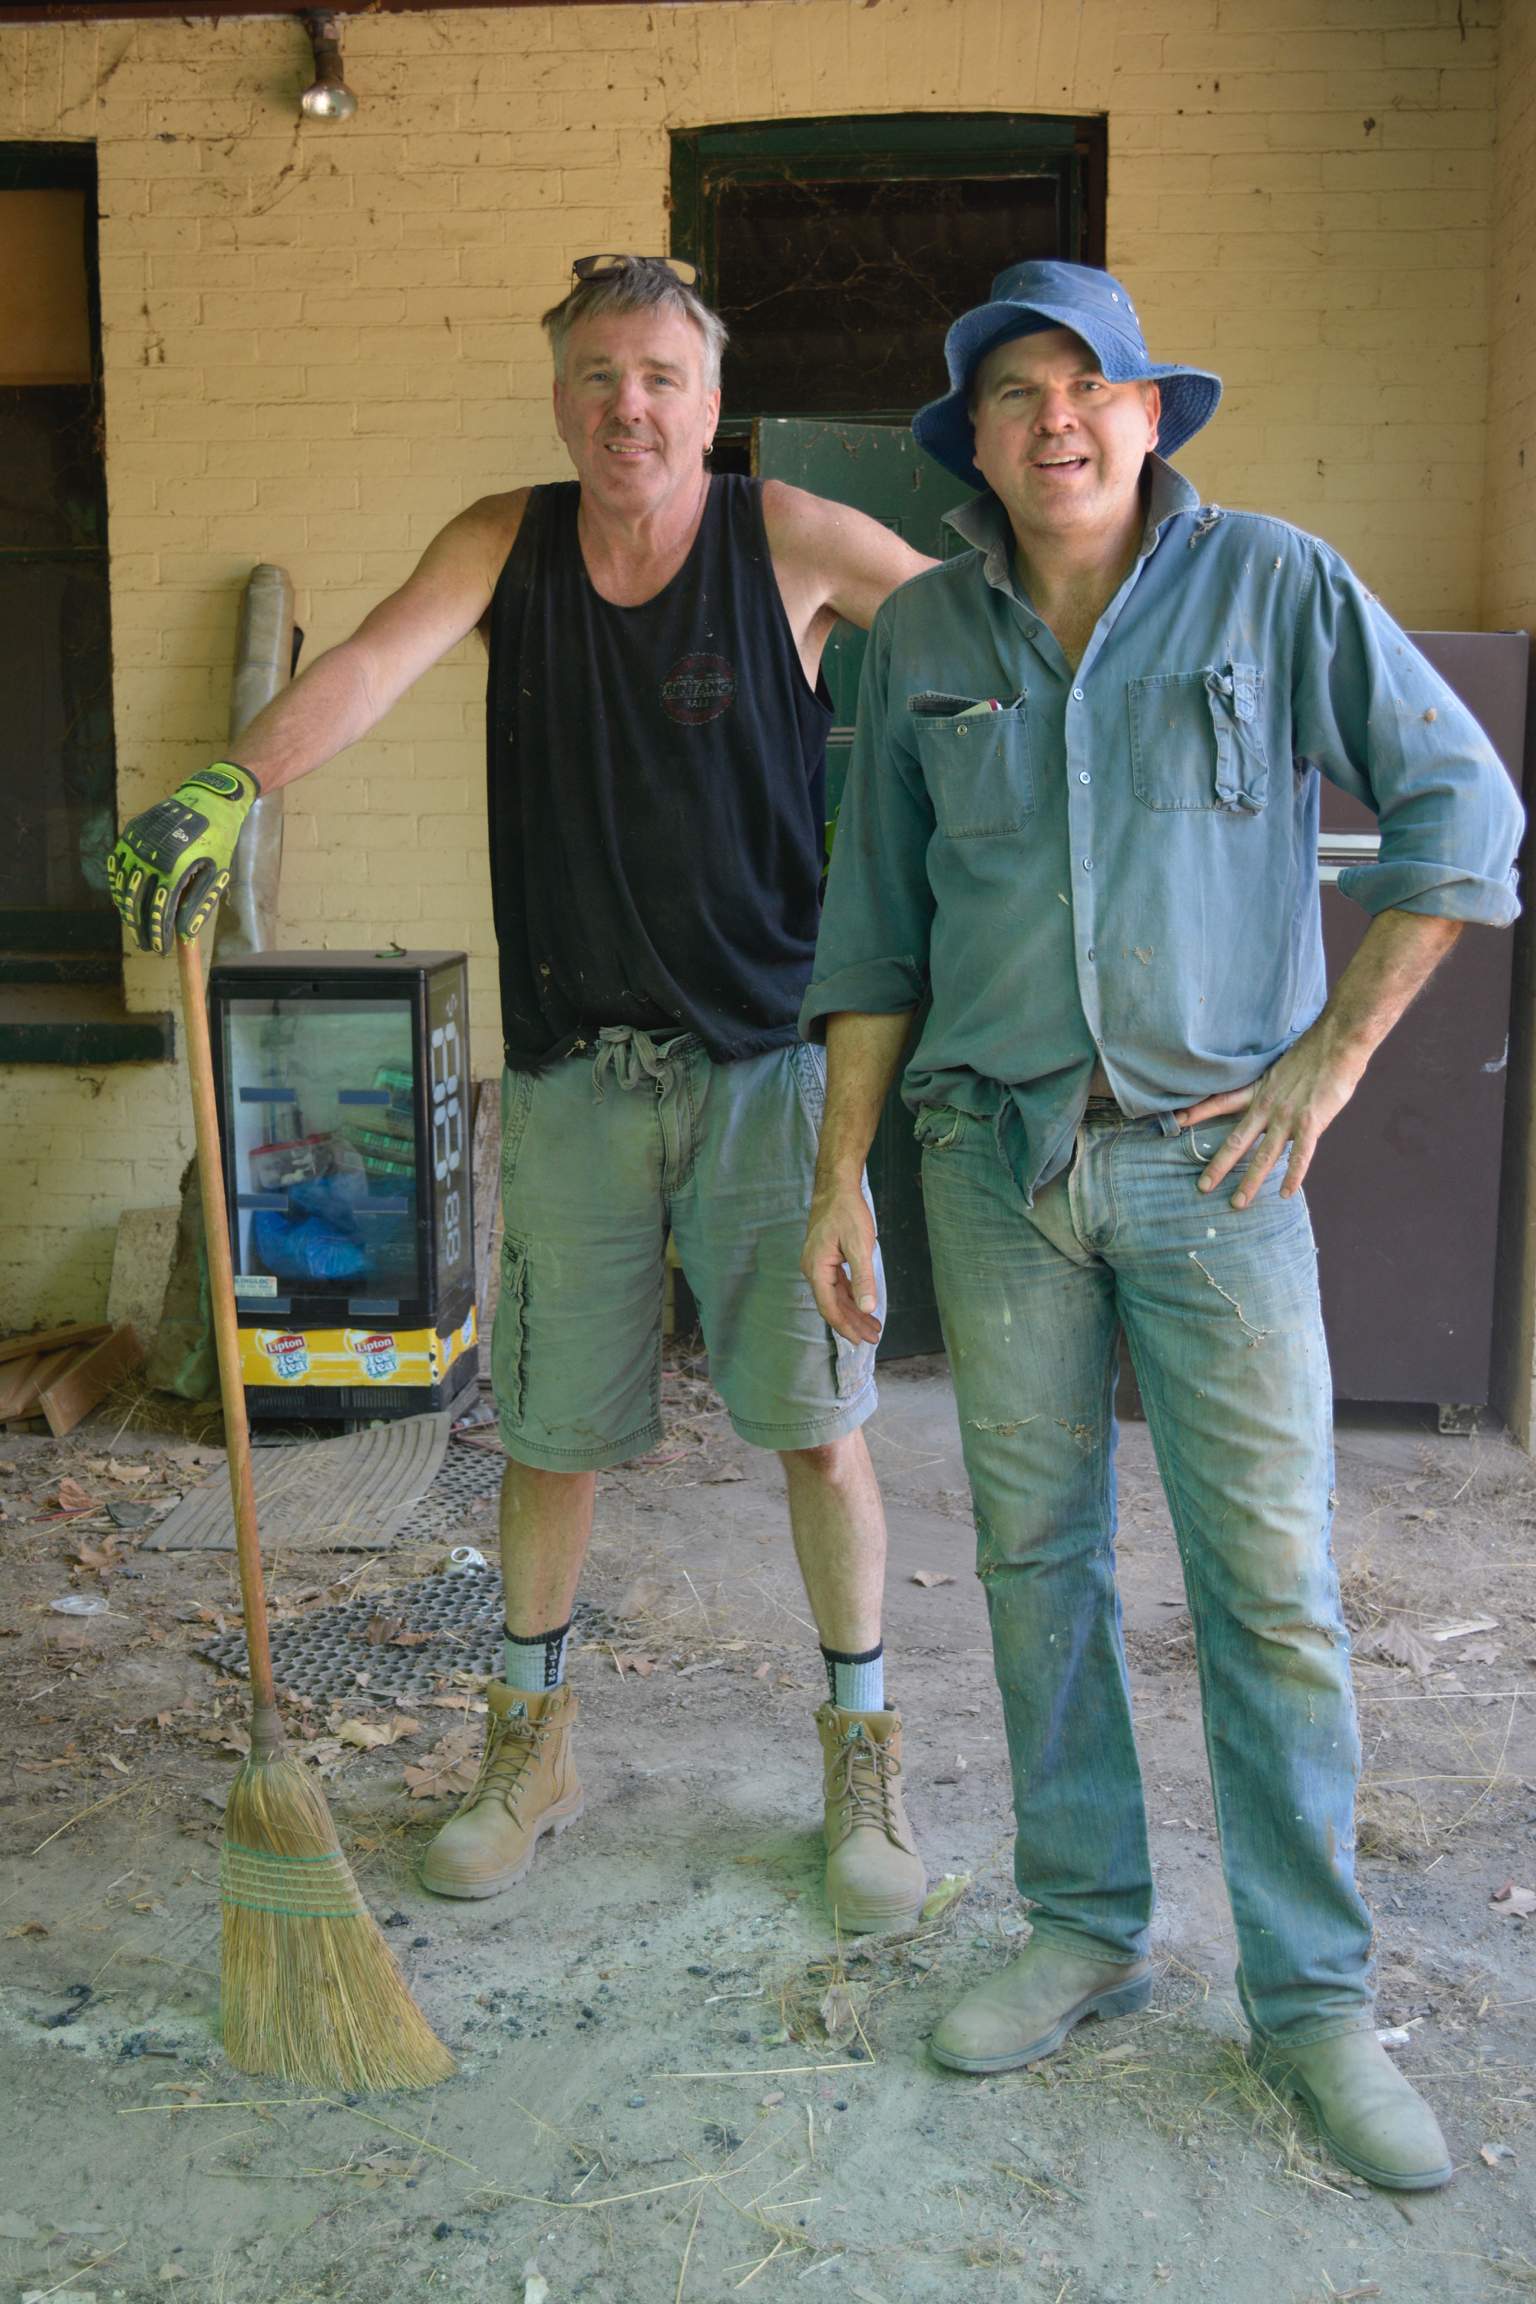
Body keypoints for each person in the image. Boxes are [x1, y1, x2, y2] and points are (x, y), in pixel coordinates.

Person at [799, 258, 1523, 2189]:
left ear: (1147, 414)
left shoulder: (1272, 585)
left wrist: (1329, 1064)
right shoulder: (920, 633)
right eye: (1014, 394)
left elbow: (1467, 815)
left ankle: (1315, 2004)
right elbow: (872, 933)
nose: (1055, 420)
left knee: (1268, 1590)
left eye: (1088, 385)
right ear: (975, 442)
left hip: (1217, 1176)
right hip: (994, 1165)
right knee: (1036, 1567)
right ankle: (1088, 1927)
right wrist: (839, 1174)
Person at [109, 254, 934, 1938]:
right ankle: (527, 1752)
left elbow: (975, 643)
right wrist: (229, 783)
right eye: (597, 377)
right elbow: (372, 663)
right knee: (554, 1439)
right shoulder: (507, 541)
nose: (629, 406)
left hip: (770, 1074)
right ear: (561, 398)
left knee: (818, 1426)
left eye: (660, 377)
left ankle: (862, 1763)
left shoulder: (788, 538)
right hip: (574, 1081)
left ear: (712, 401)